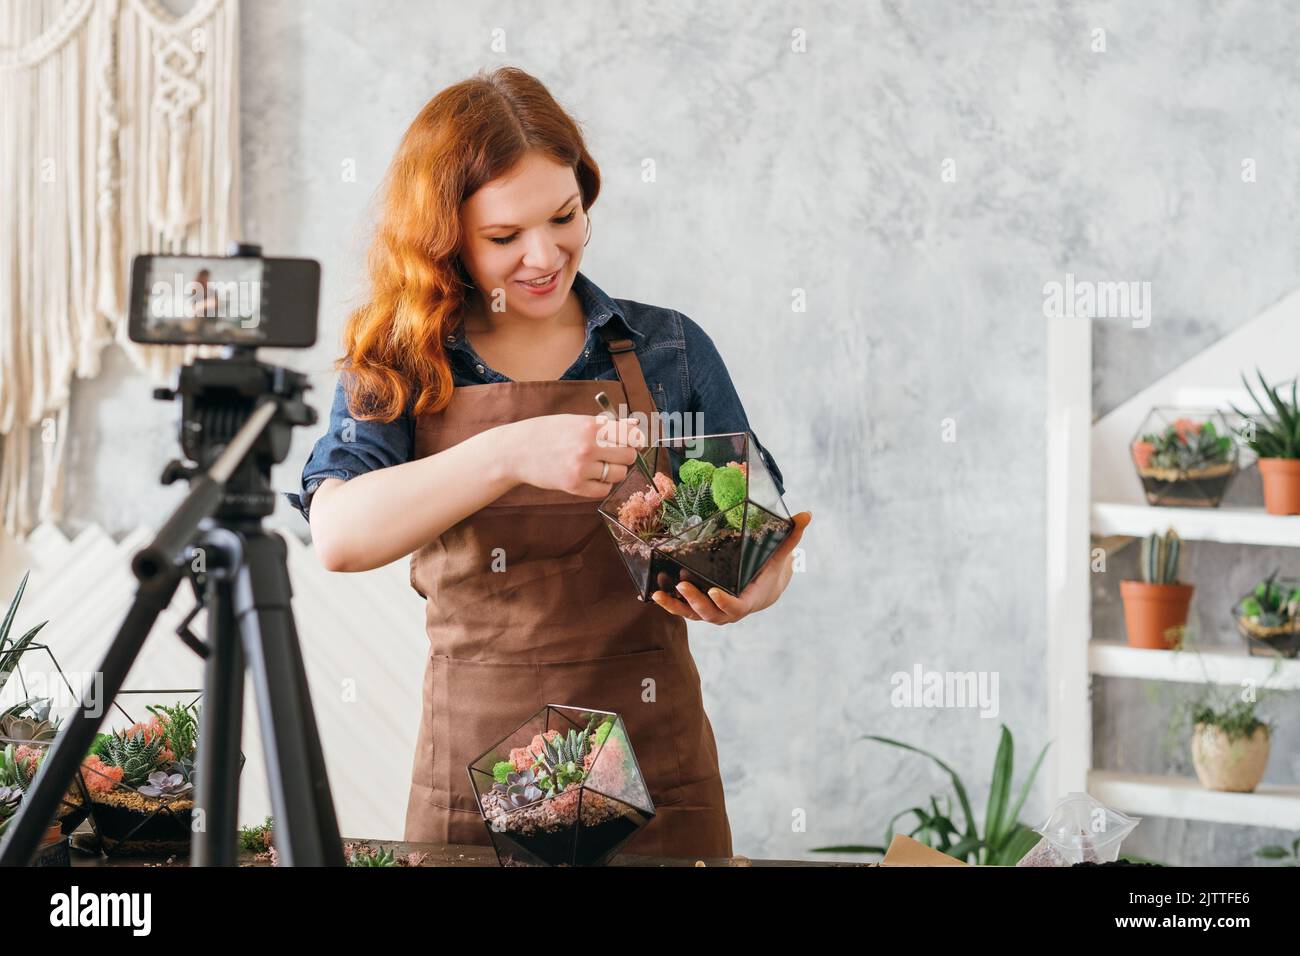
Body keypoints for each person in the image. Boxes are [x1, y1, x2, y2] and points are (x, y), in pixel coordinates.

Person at [285, 66, 812, 860]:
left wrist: (758, 584)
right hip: (475, 768)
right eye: (504, 237)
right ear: (446, 235)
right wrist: (505, 453)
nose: (543, 255)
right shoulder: (404, 361)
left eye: (564, 217)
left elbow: (753, 538)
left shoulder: (666, 349)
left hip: (657, 760)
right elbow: (339, 534)